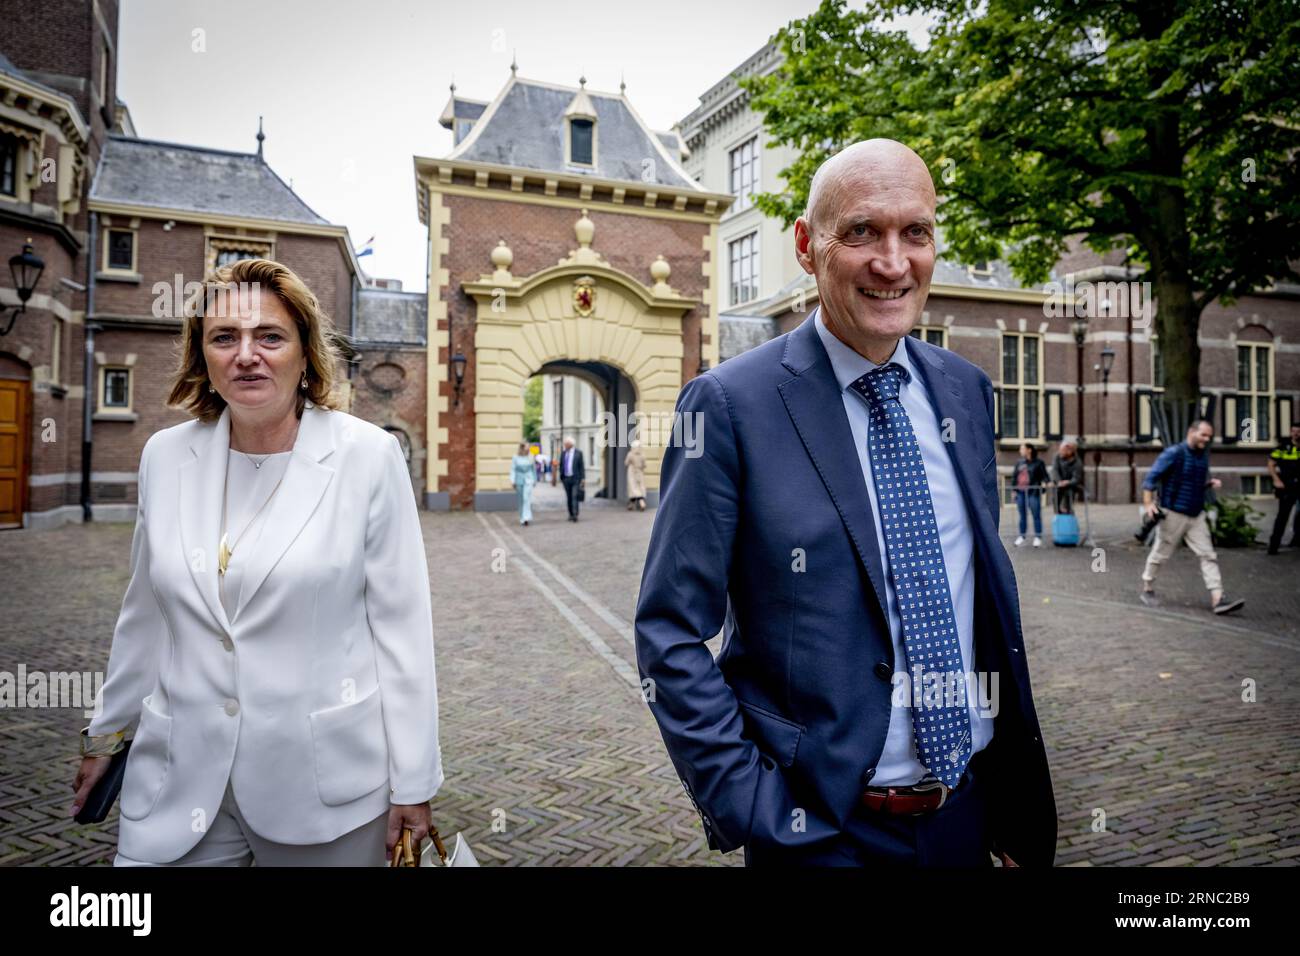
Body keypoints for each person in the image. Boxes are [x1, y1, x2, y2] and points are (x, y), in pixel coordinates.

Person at [635, 140, 1055, 868]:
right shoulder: (730, 407)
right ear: (806, 245)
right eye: (861, 231)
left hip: (967, 815)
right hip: (821, 833)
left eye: (915, 232)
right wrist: (751, 806)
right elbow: (670, 632)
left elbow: (977, 605)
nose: (893, 263)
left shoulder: (965, 391)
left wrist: (1008, 806)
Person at [70, 259, 443, 865]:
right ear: (203, 357)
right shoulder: (165, 457)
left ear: (304, 355)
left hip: (325, 789)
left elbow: (401, 630)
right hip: (179, 776)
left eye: (269, 336)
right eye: (225, 338)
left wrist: (415, 779)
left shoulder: (368, 458)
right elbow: (144, 613)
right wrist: (109, 735)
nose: (247, 354)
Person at [1140, 418, 1243, 614]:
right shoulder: (1174, 453)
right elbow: (1150, 479)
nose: (1207, 439)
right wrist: (1148, 503)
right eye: (1203, 435)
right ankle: (1147, 587)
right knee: (1161, 554)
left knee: (1208, 555)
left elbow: (1191, 482)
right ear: (1191, 432)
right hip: (1173, 514)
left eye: (1209, 436)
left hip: (1196, 515)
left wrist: (1208, 484)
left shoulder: (1202, 455)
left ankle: (1218, 598)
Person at [1266, 423, 1300, 555]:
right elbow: (1271, 464)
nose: (1296, 434)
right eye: (1294, 431)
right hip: (1287, 486)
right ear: (1291, 433)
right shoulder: (1283, 448)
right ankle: (1274, 546)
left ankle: (1297, 539)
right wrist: (1276, 479)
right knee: (1282, 516)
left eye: (1298, 431)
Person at [1010, 443, 1049, 547]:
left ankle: (1038, 537)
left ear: (1029, 450)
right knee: (1022, 515)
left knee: (1036, 515)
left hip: (1033, 492)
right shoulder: (1019, 462)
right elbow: (1014, 477)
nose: (1020, 451)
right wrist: (1014, 491)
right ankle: (1022, 536)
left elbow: (1045, 476)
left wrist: (1048, 483)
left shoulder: (1039, 463)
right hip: (1021, 492)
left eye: (1022, 448)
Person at [1052, 440, 1084, 515]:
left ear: (1070, 451)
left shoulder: (1077, 462)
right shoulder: (1057, 457)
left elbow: (1077, 477)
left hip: (1070, 485)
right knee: (1056, 498)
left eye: (1062, 450)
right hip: (1059, 484)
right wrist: (1058, 481)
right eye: (1060, 450)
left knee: (1068, 500)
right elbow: (1055, 470)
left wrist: (1068, 482)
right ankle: (1058, 513)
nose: (1060, 452)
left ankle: (1068, 514)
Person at [559, 436, 585, 522]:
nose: (564, 445)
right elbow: (561, 465)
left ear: (571, 444)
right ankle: (570, 514)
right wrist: (561, 476)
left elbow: (581, 466)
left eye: (566, 444)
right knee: (569, 497)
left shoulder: (578, 453)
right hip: (566, 478)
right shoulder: (563, 453)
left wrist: (583, 478)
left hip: (575, 478)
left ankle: (575, 514)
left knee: (574, 496)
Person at [512, 442, 536, 526]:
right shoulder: (515, 457)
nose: (528, 448)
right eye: (527, 447)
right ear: (522, 448)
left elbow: (533, 469)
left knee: (526, 498)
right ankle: (522, 517)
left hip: (529, 479)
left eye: (529, 447)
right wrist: (513, 480)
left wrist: (535, 480)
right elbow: (513, 469)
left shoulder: (531, 456)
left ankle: (526, 517)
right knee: (520, 499)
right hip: (518, 479)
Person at [625, 439, 647, 511]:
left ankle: (641, 503)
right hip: (640, 472)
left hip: (632, 472)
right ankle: (631, 505)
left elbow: (626, 463)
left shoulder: (630, 454)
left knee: (633, 488)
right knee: (640, 487)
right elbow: (644, 465)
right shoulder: (642, 455)